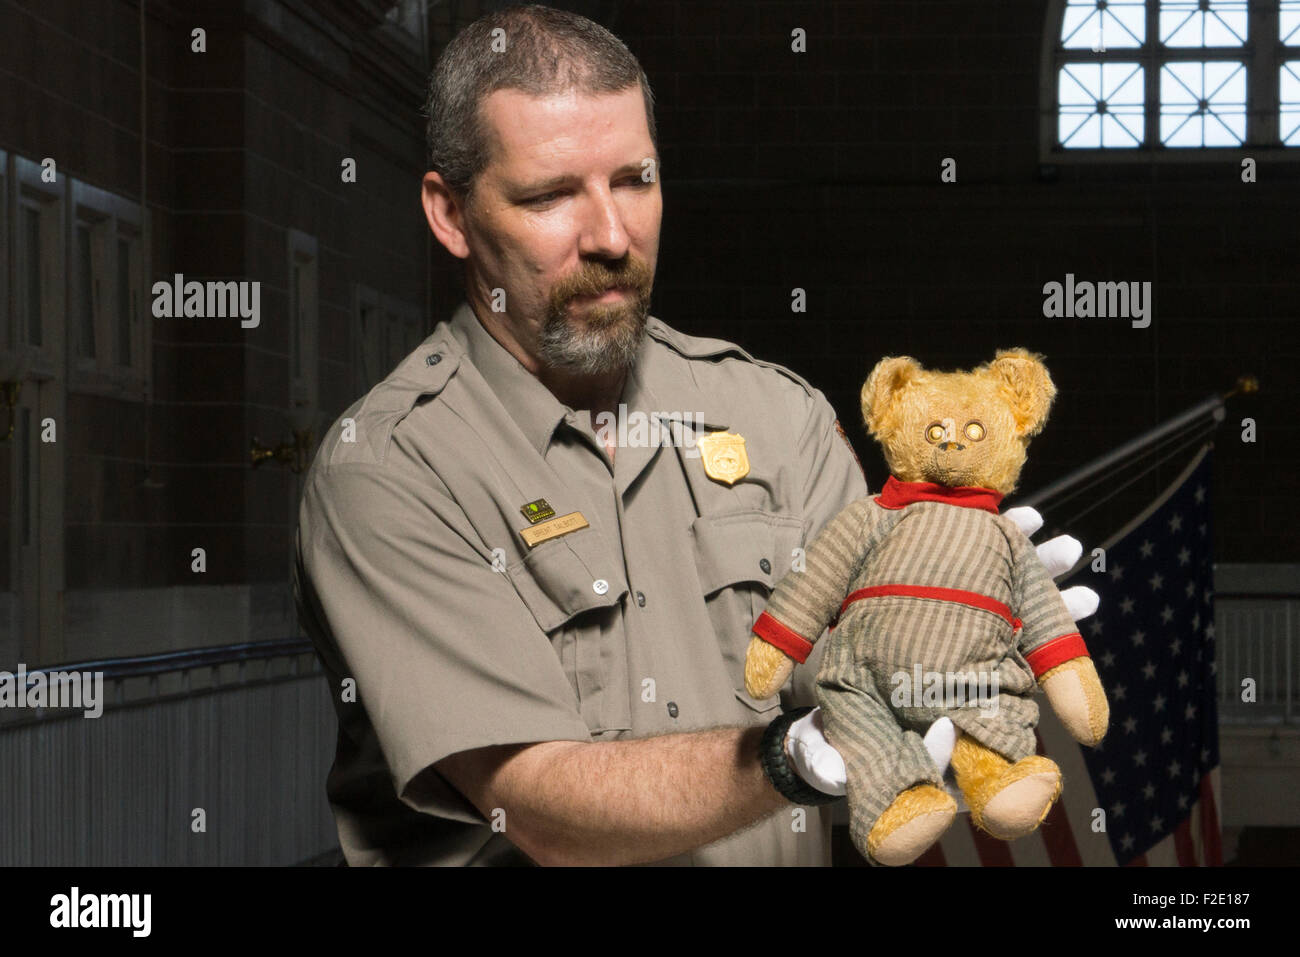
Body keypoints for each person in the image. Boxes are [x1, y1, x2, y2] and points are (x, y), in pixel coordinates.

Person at [291, 4, 1095, 866]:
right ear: (450, 215)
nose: (611, 236)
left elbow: (854, 663)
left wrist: (944, 613)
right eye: (552, 194)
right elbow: (536, 805)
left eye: (634, 179)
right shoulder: (388, 469)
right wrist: (785, 761)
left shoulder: (775, 417)